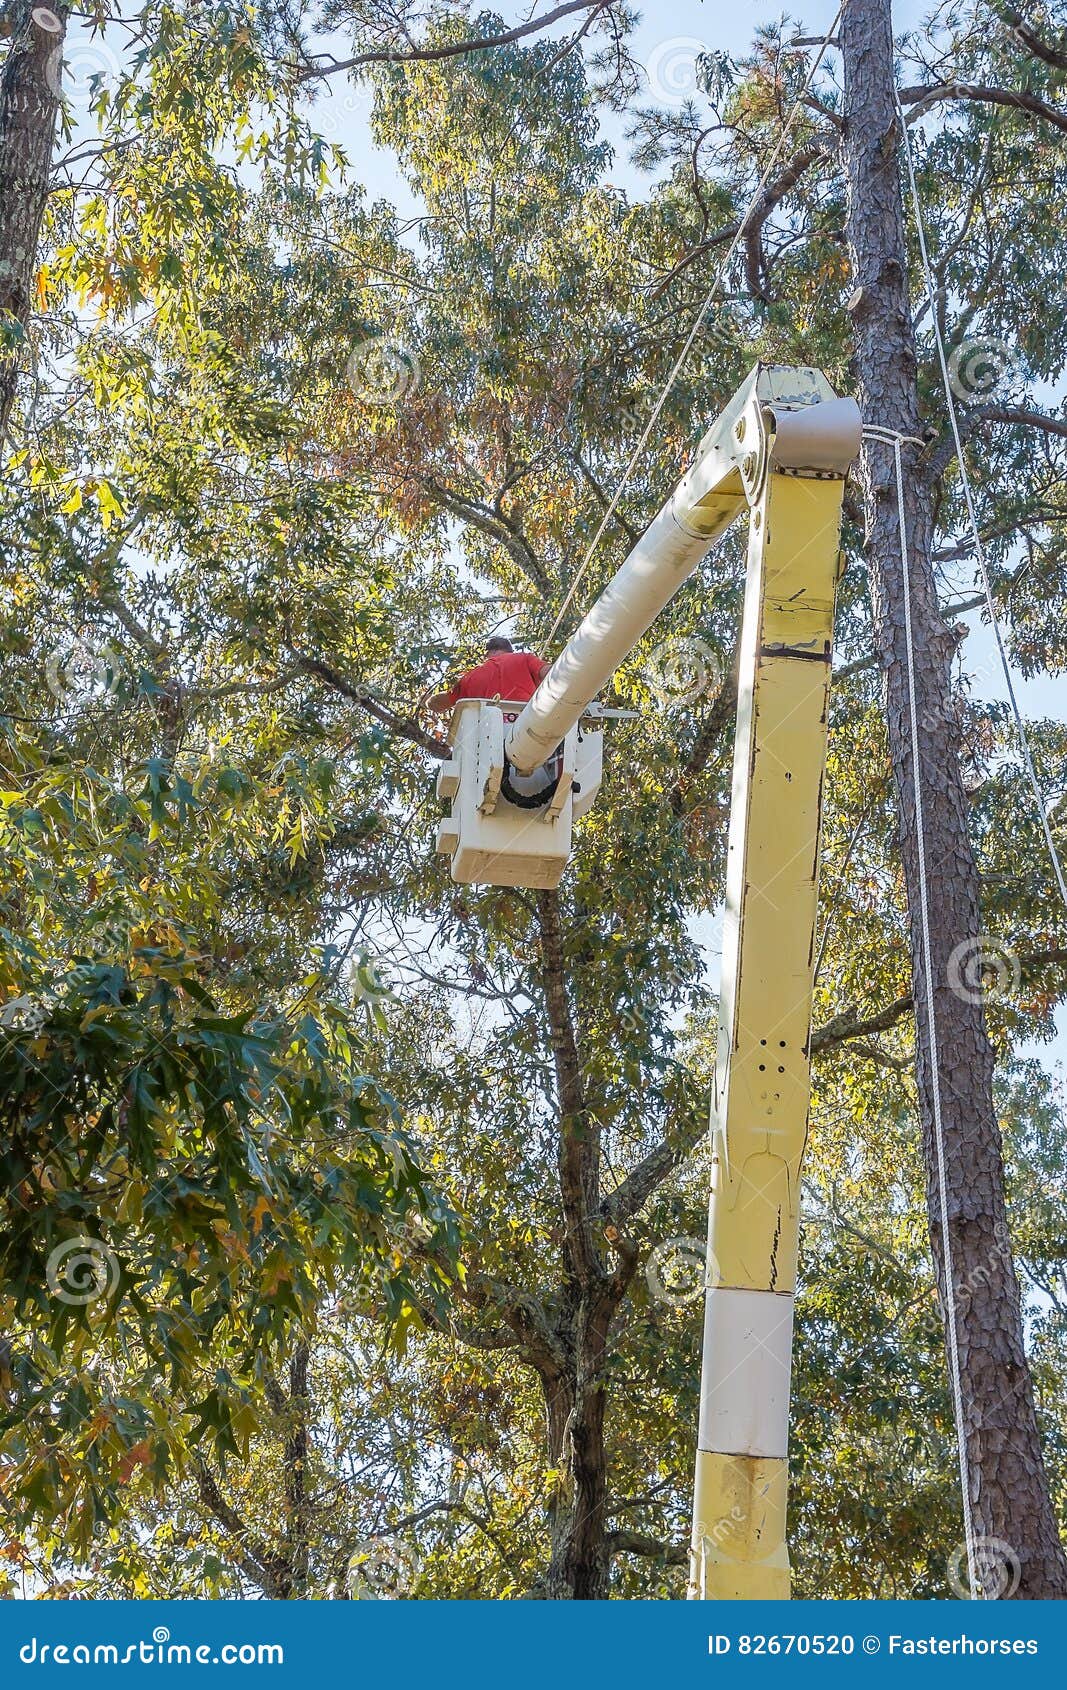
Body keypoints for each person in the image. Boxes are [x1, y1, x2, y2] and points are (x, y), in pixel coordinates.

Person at [427, 636, 550, 716]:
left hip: (489, 733)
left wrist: (427, 701)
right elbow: (549, 674)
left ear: (492, 652)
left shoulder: (471, 676)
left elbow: (440, 703)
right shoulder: (524, 658)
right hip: (527, 722)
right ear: (509, 650)